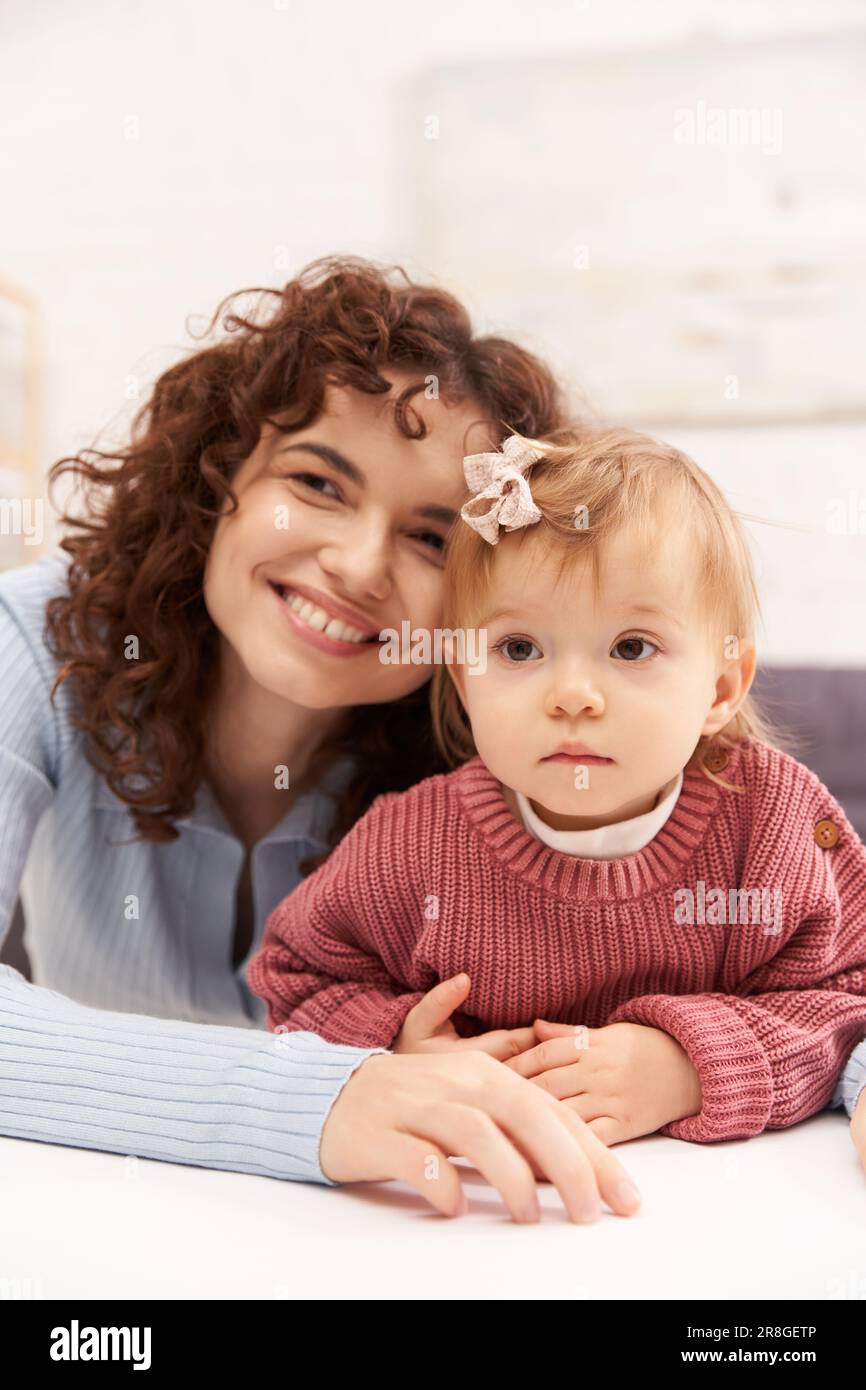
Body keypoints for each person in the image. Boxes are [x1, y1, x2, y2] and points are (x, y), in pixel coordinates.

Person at [0, 256, 641, 1223]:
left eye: (434, 539)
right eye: (316, 481)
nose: (354, 563)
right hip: (89, 1223)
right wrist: (325, 1090)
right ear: (218, 479)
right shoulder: (32, 640)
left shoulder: (511, 730)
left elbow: (807, 950)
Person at [249, 425, 866, 1151]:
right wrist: (394, 1049)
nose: (573, 695)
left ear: (721, 686)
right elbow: (294, 979)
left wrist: (689, 1068)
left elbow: (845, 1001)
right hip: (480, 1211)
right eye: (519, 649)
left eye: (631, 648)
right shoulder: (412, 843)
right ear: (464, 681)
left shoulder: (771, 821)